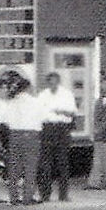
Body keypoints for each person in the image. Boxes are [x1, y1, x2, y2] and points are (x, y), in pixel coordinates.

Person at [0, 75, 44, 206]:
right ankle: (27, 198)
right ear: (28, 88)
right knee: (30, 168)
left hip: (15, 135)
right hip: (32, 136)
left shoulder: (10, 102)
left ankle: (13, 198)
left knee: (14, 168)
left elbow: (4, 121)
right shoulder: (36, 102)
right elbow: (43, 118)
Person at [36, 71, 77, 202]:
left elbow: (73, 112)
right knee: (45, 163)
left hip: (62, 129)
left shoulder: (67, 94)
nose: (52, 84)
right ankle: (45, 194)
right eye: (50, 82)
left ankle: (63, 195)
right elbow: (37, 113)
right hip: (47, 129)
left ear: (58, 82)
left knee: (62, 163)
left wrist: (62, 111)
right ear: (47, 83)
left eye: (54, 81)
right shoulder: (42, 95)